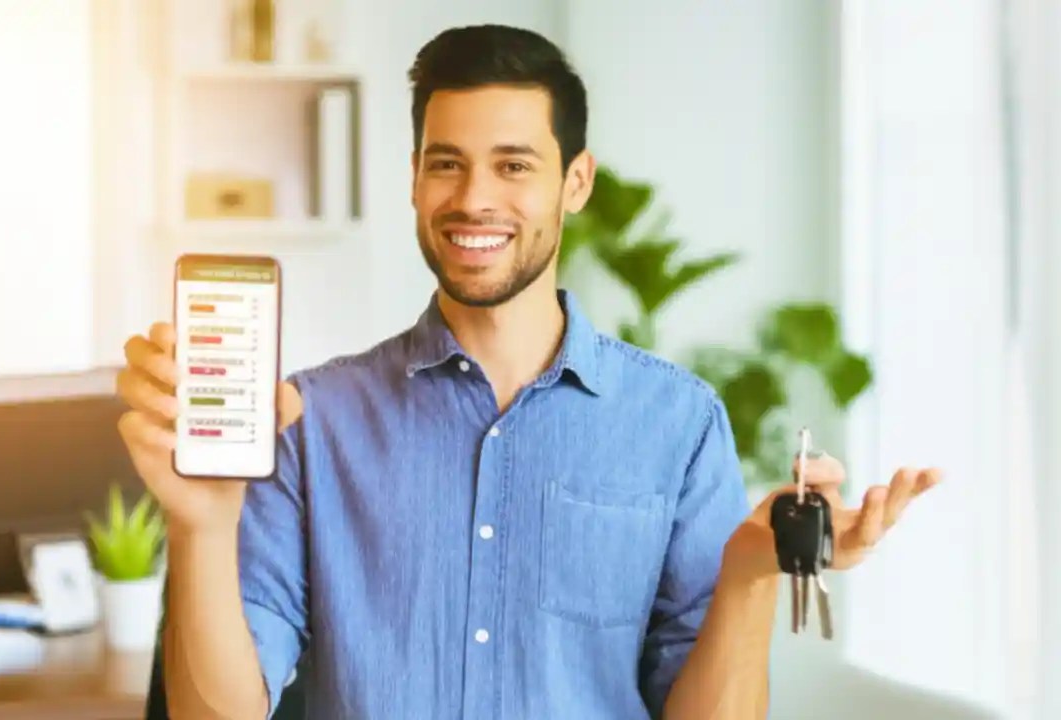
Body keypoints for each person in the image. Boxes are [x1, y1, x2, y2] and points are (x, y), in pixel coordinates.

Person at [117, 24, 942, 720]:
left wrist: (751, 571)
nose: (474, 198)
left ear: (573, 183)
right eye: (446, 163)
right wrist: (201, 525)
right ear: (413, 178)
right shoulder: (309, 420)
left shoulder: (678, 423)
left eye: (514, 165)